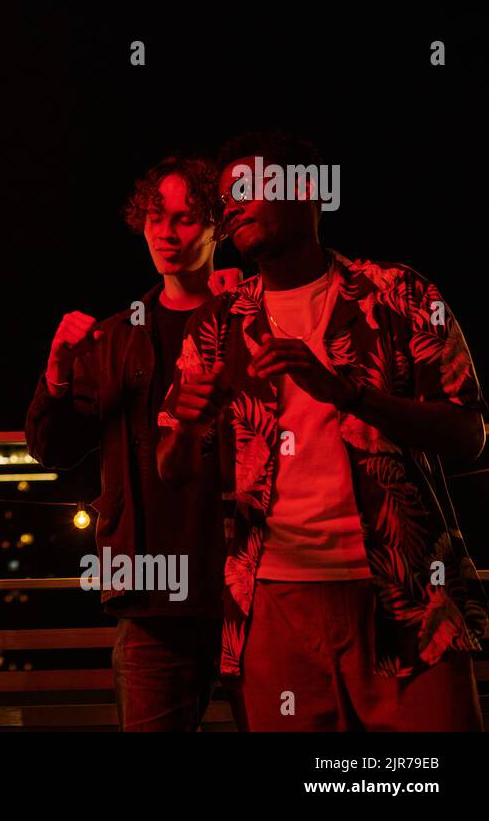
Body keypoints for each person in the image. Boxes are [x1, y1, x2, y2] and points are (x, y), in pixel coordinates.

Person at [158, 131, 487, 731]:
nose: (230, 206)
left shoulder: (401, 293)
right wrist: (186, 426)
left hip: (405, 591)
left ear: (307, 192)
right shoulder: (218, 323)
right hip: (272, 600)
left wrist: (349, 395)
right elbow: (172, 468)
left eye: (249, 188)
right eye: (225, 197)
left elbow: (469, 434)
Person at [27, 155, 236, 731]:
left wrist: (238, 309)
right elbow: (53, 449)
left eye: (186, 218)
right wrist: (57, 373)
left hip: (248, 580)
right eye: (154, 217)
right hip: (151, 597)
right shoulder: (118, 335)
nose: (167, 232)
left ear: (220, 226)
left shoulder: (251, 317)